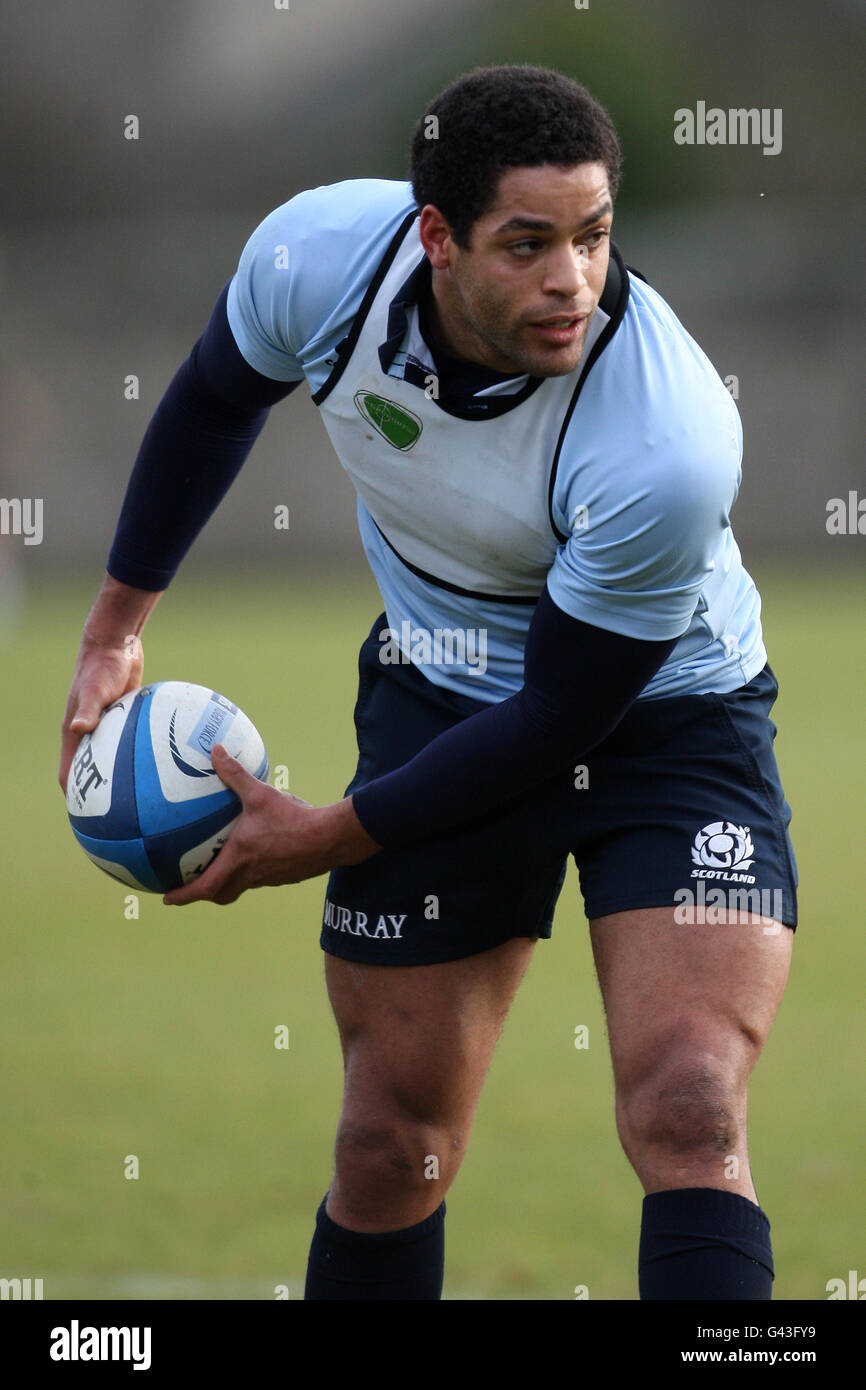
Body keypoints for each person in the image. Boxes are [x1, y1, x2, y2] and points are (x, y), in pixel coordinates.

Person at [59, 65, 798, 1301]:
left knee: (686, 1108)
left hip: (672, 720)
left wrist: (326, 835)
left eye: (594, 236)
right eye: (528, 244)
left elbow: (561, 717)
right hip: (435, 685)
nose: (571, 278)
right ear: (436, 238)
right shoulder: (317, 261)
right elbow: (212, 399)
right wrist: (113, 624)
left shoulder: (663, 443)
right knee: (389, 1139)